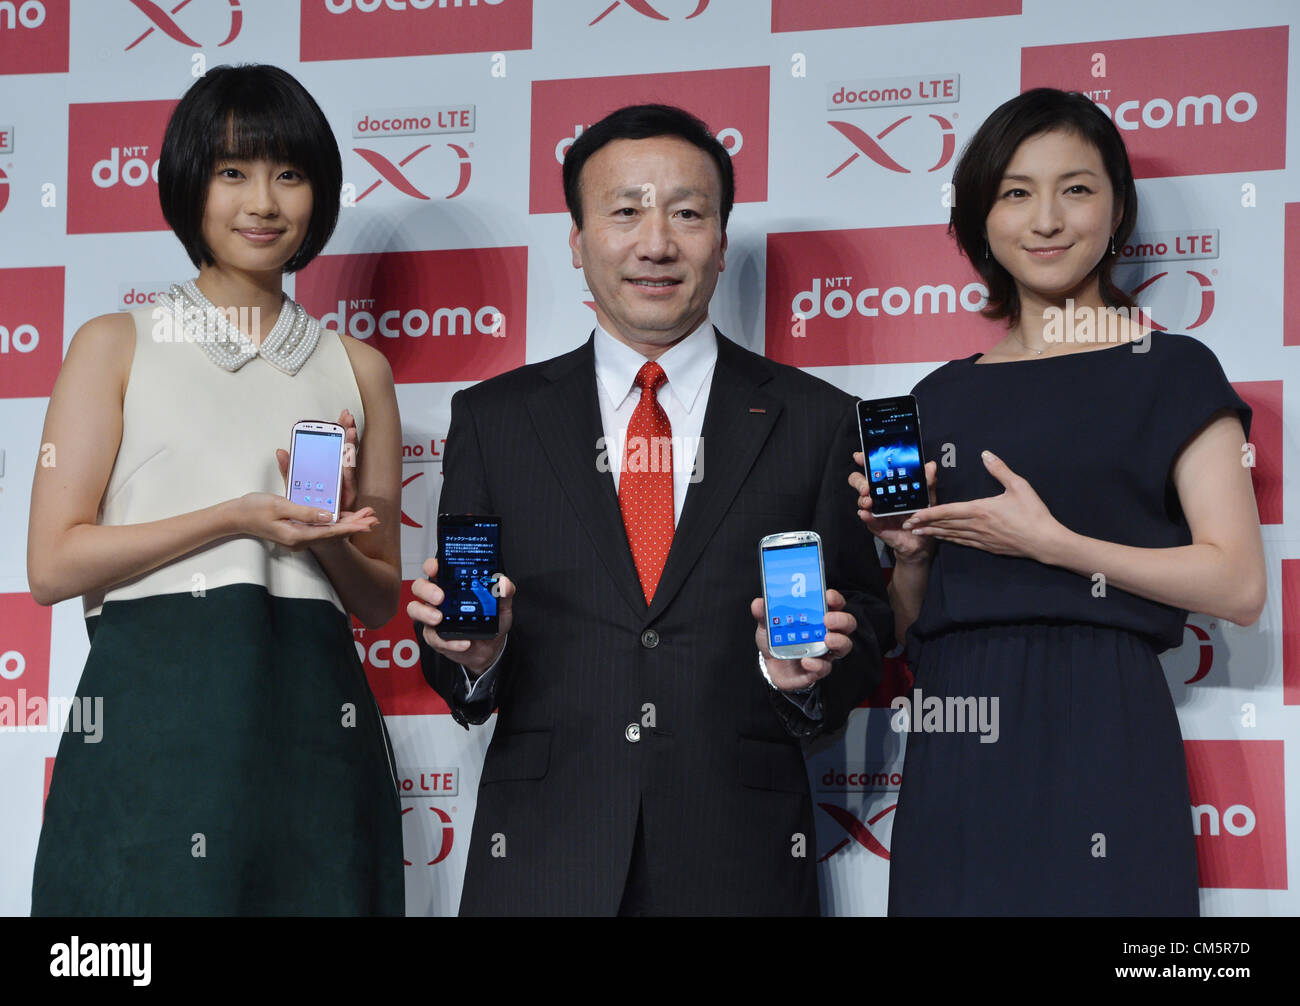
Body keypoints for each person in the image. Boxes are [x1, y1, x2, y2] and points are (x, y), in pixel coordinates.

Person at [410, 104, 893, 916]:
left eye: (688, 212)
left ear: (722, 238)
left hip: (738, 858)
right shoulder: (494, 419)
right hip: (543, 856)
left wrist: (800, 675)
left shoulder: (815, 419)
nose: (656, 241)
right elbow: (457, 663)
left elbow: (867, 633)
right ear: (576, 238)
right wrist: (475, 653)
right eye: (625, 210)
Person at [850, 88, 1266, 916]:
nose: (1045, 219)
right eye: (1015, 192)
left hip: (1101, 717)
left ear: (1117, 211)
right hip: (954, 723)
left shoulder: (1173, 370)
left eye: (1075, 188)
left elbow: (1238, 586)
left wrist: (1054, 543)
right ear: (981, 220)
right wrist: (912, 554)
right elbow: (900, 624)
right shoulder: (938, 395)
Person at [28, 64, 405, 915]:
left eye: (290, 173)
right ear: (188, 184)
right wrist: (235, 517)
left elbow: (378, 599)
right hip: (154, 724)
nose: (263, 202)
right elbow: (53, 563)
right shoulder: (116, 343)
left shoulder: (360, 370)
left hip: (315, 726)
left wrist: (332, 532)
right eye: (233, 172)